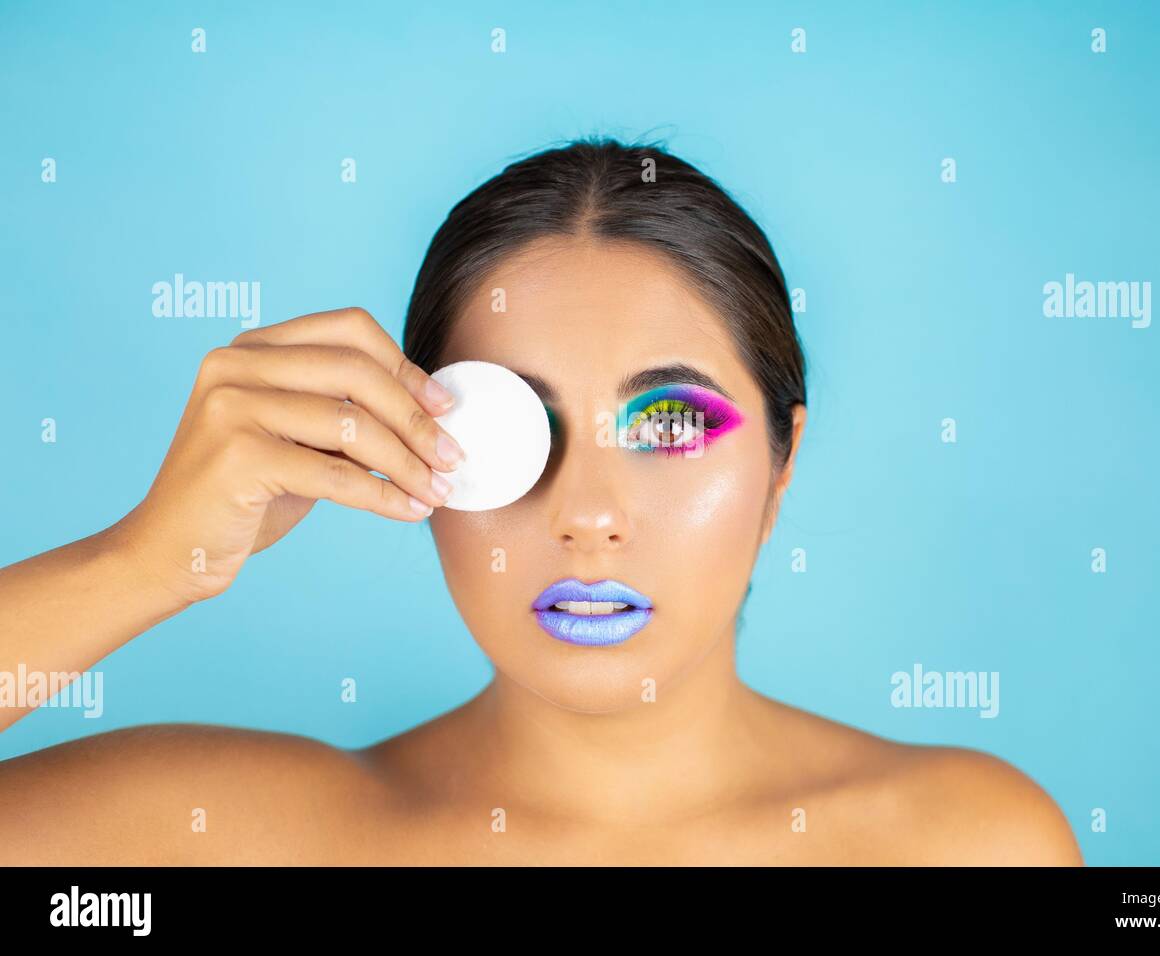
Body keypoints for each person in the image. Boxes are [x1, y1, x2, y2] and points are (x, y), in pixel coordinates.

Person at [0, 137, 1083, 865]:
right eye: (507, 432)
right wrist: (140, 561)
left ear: (782, 460)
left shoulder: (968, 841)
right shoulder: (219, 836)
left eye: (668, 424)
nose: (589, 513)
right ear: (398, 442)